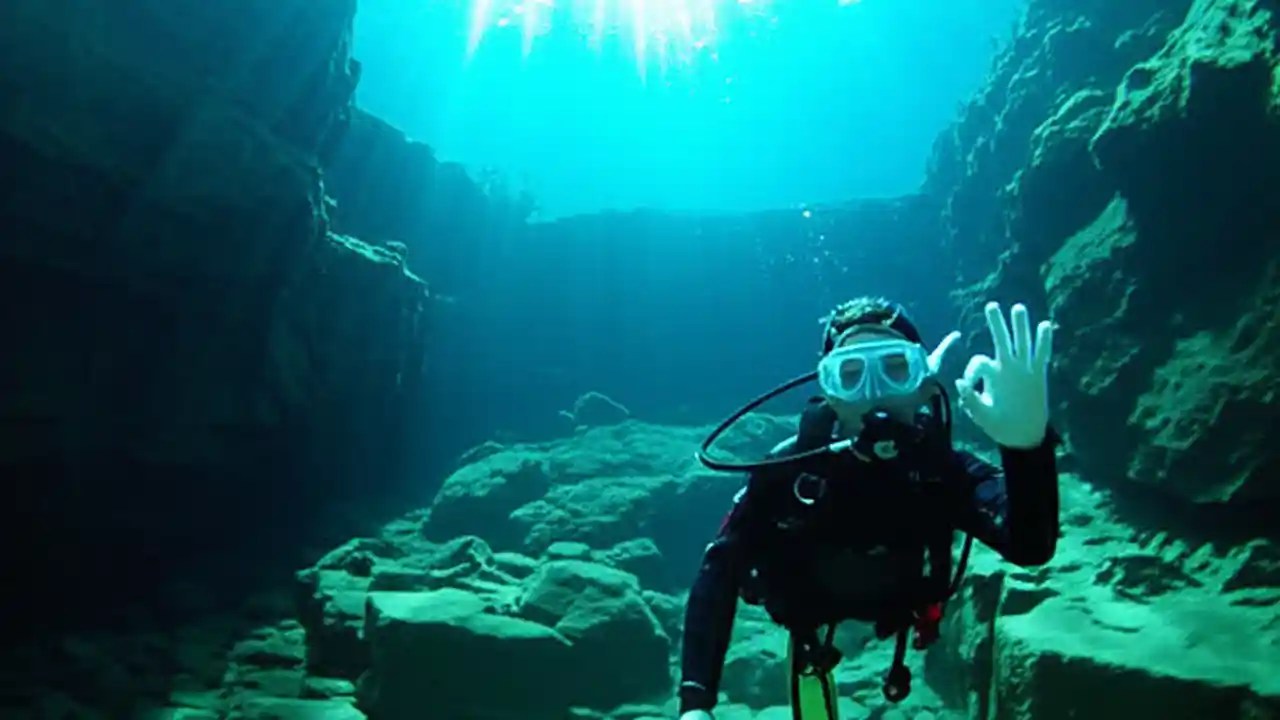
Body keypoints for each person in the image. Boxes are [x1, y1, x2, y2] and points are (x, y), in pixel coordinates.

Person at [679, 297, 1060, 720]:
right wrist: (696, 704)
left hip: (897, 613)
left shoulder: (940, 470)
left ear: (923, 381)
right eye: (851, 375)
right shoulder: (789, 470)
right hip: (811, 618)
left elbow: (1030, 546)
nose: (874, 394)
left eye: (896, 368)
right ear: (829, 391)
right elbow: (720, 570)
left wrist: (1026, 448)